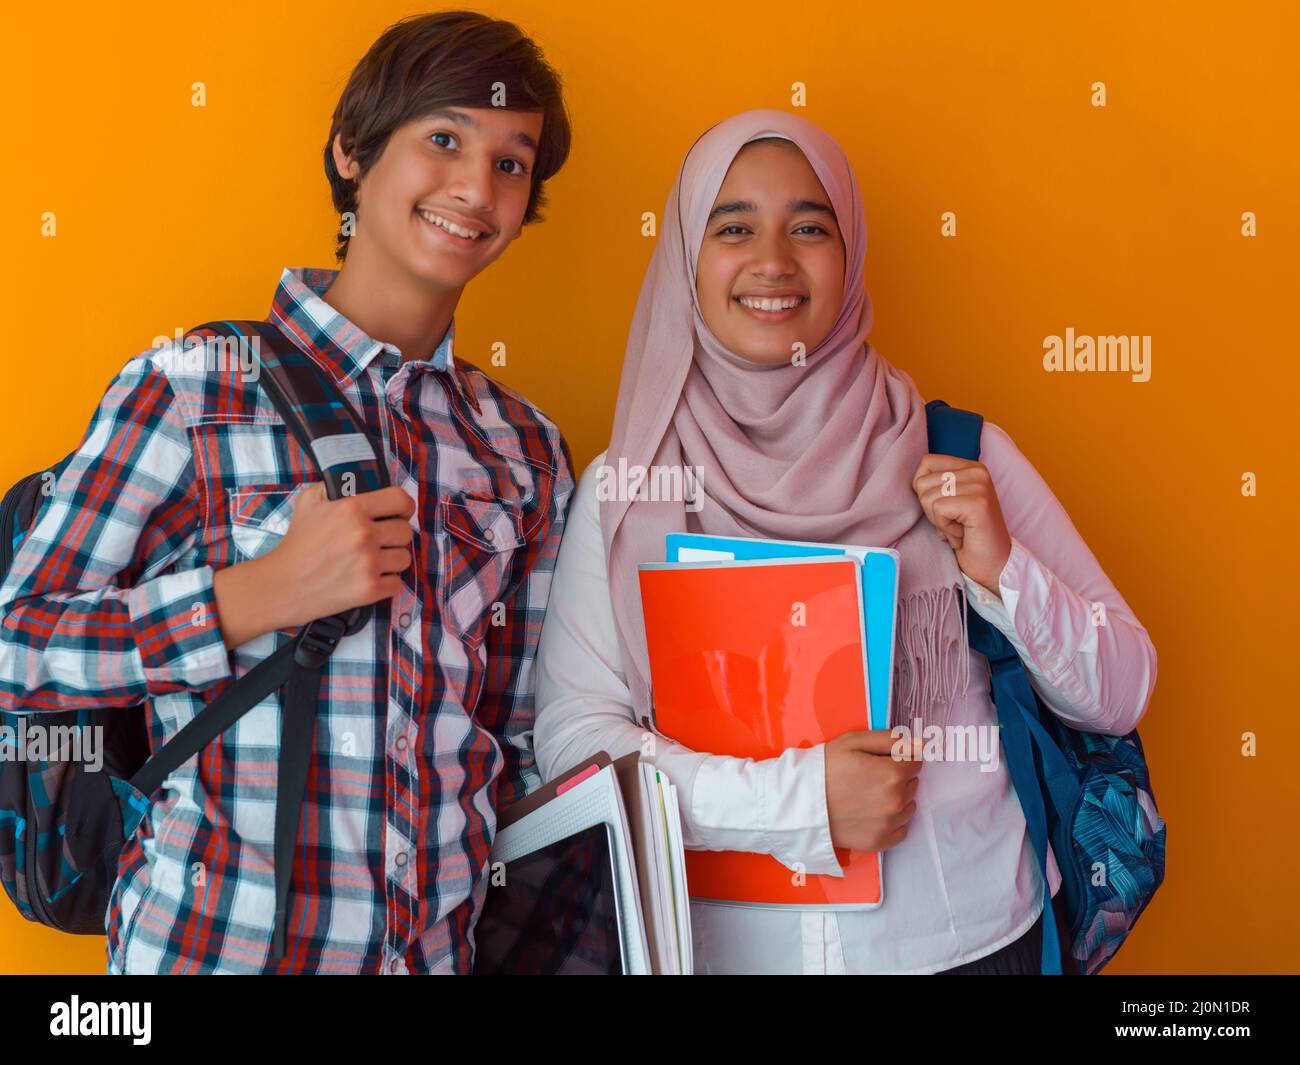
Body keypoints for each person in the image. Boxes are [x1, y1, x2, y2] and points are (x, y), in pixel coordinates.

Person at [0, 10, 574, 974]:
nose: (477, 187)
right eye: (444, 139)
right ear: (353, 153)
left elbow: (517, 744)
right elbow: (16, 646)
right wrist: (251, 597)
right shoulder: (192, 387)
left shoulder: (525, 447)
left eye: (512, 163)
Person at [532, 109, 1156, 975]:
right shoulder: (628, 487)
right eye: (734, 226)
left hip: (971, 941)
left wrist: (1002, 572)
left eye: (810, 226)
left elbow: (1121, 691)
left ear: (850, 251)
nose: (774, 260)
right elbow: (575, 738)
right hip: (728, 955)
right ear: (686, 256)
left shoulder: (960, 454)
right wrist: (798, 802)